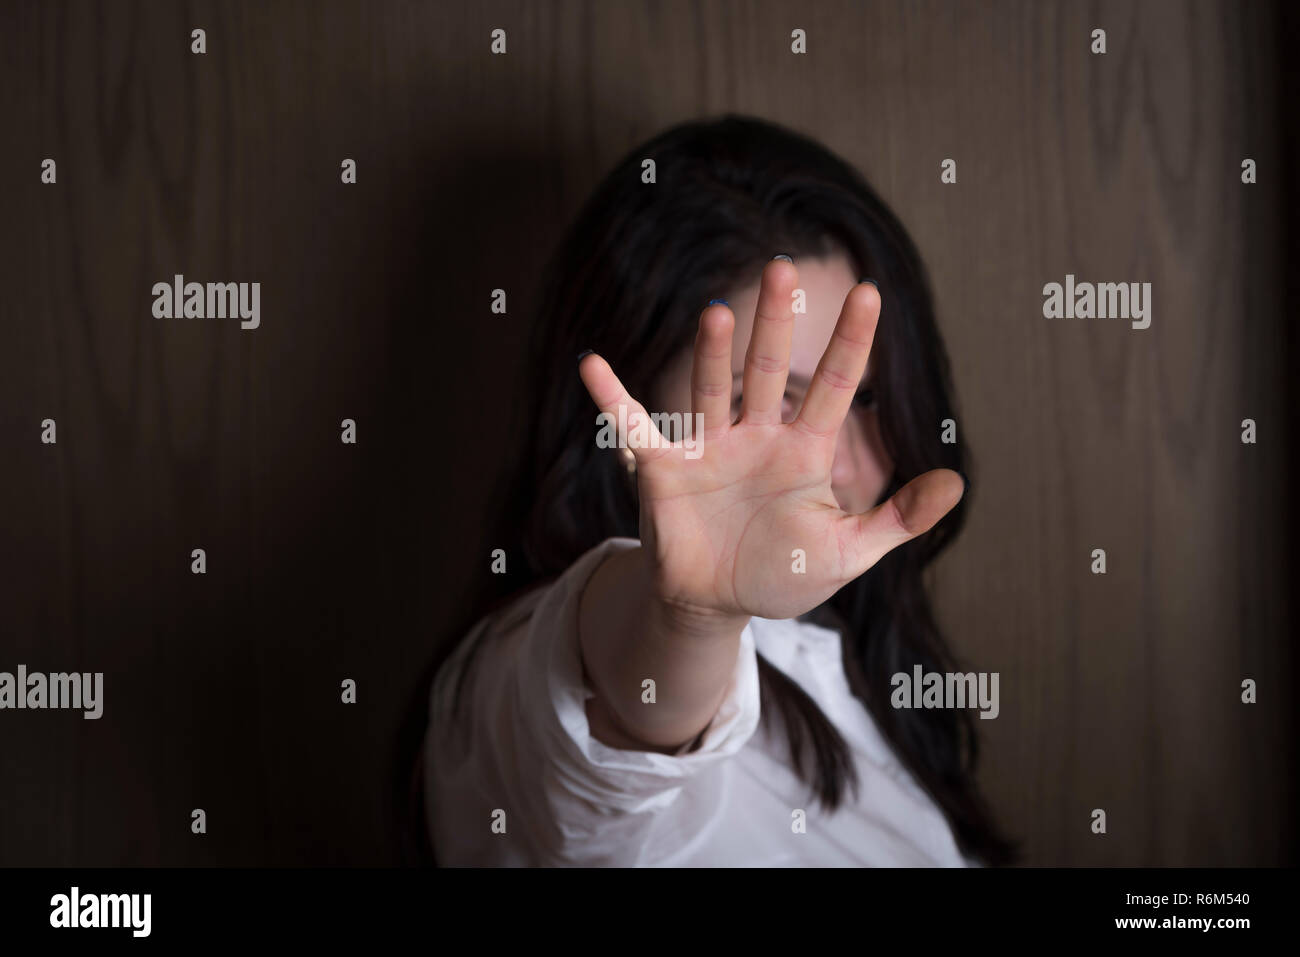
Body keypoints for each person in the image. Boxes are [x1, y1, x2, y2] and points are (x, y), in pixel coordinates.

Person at [419, 115, 1014, 866]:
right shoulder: (517, 681)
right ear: (626, 404)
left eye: (870, 402)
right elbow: (616, 742)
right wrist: (691, 616)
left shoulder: (856, 662)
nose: (846, 466)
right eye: (769, 401)